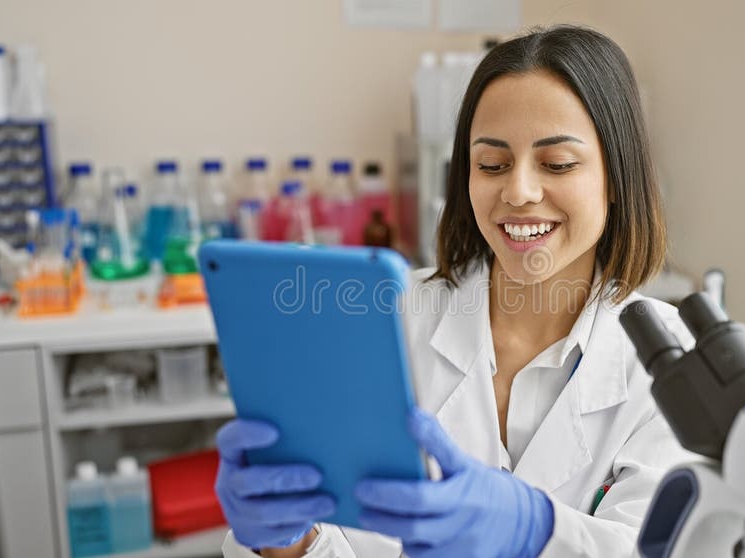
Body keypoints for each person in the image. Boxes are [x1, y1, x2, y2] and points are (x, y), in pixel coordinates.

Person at [219, 25, 694, 558]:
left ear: (617, 177)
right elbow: (341, 538)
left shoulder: (670, 363)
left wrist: (534, 530)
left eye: (557, 163)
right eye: (491, 164)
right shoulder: (385, 322)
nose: (517, 191)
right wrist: (287, 542)